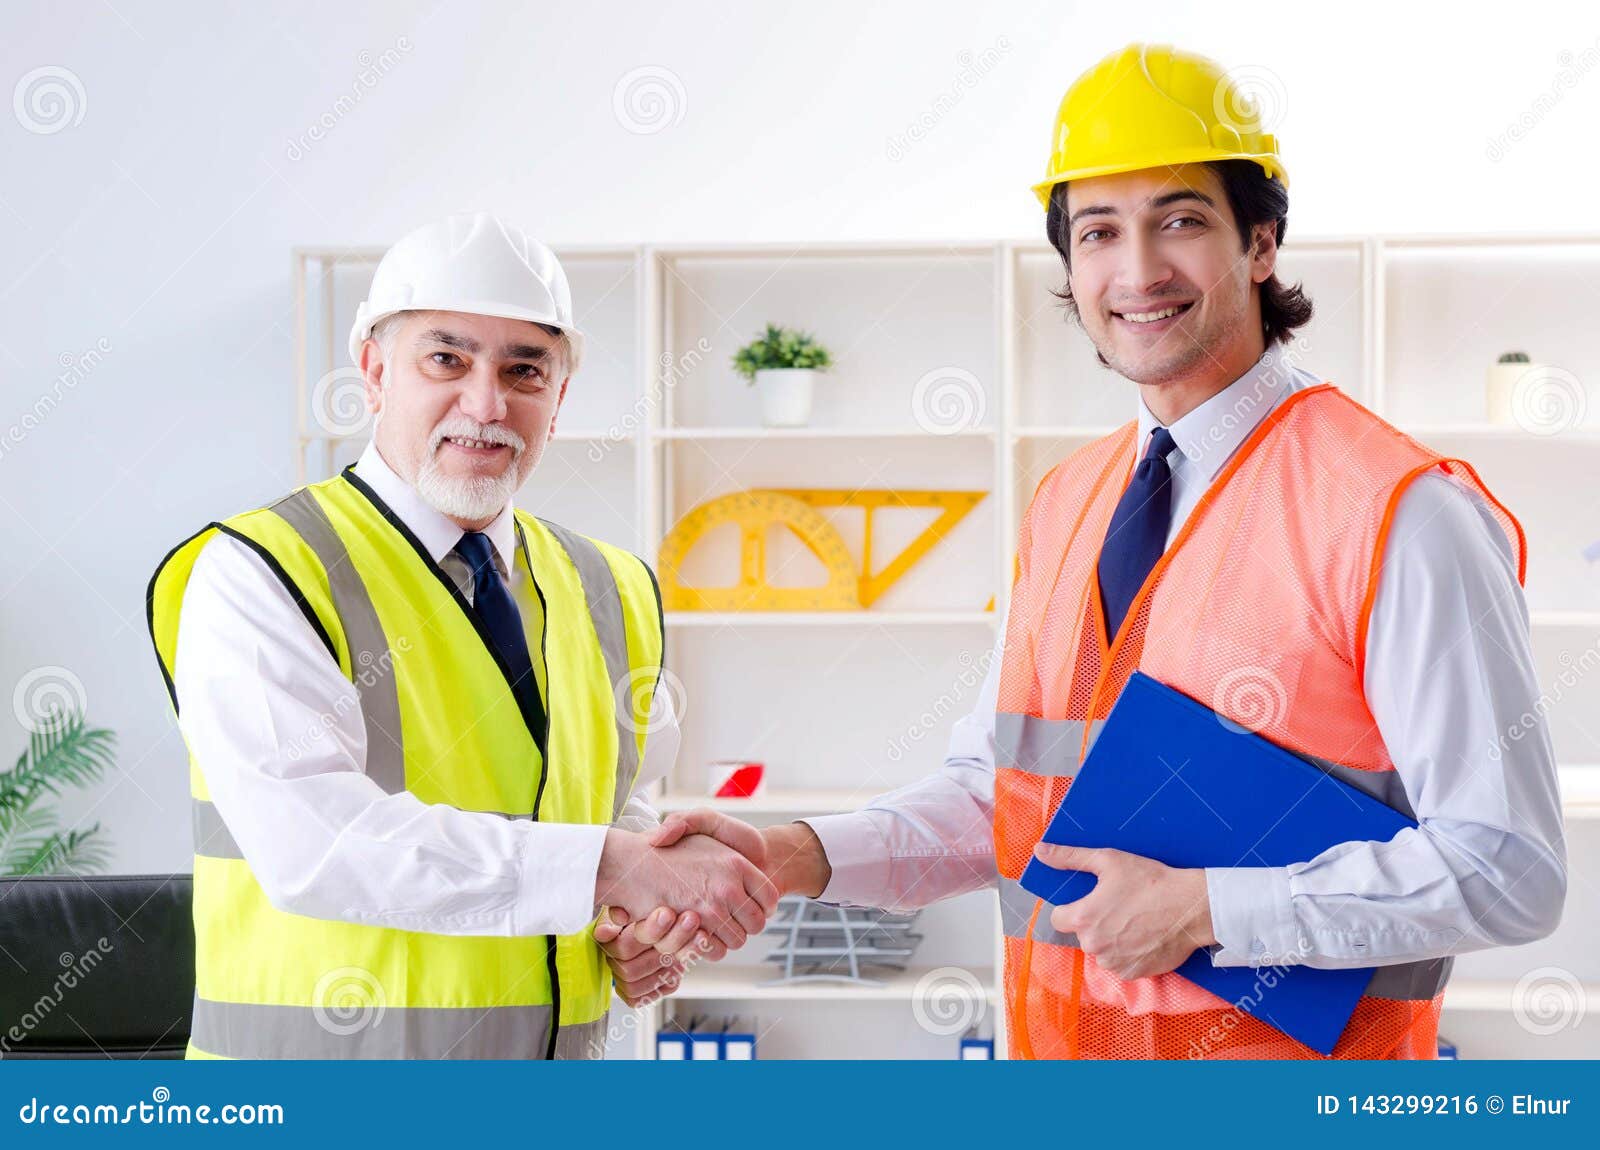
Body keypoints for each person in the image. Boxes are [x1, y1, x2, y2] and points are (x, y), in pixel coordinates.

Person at [603, 44, 1568, 1059]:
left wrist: (1209, 908)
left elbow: (1508, 866)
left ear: (1261, 241)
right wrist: (792, 852)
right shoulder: (1067, 502)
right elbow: (999, 801)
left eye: (1180, 219)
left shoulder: (1394, 511)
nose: (1137, 269)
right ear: (1069, 265)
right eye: (1099, 231)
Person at [148, 212, 776, 1059]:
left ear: (559, 399)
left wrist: (641, 927)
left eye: (526, 369)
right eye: (446, 359)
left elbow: (612, 811)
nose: (487, 405)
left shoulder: (612, 588)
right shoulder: (263, 571)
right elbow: (316, 842)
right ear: (373, 372)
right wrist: (611, 869)